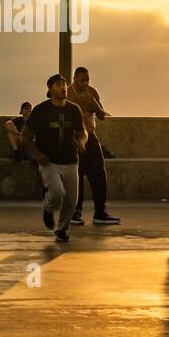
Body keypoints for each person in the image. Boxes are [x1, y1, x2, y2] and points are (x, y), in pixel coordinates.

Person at [20, 75, 86, 243]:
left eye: (64, 84)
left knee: (71, 200)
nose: (63, 88)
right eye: (58, 85)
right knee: (57, 193)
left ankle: (61, 230)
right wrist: (37, 154)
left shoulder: (74, 109)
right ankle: (48, 209)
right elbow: (25, 135)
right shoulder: (41, 110)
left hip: (70, 160)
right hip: (49, 161)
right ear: (50, 89)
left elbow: (82, 132)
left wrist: (81, 142)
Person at [67, 67, 120, 224]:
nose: (85, 83)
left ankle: (100, 211)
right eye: (82, 80)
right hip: (75, 138)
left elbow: (102, 115)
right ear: (75, 78)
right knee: (78, 175)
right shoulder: (68, 93)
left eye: (87, 80)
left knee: (99, 173)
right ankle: (75, 212)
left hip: (91, 137)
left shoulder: (92, 92)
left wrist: (95, 106)